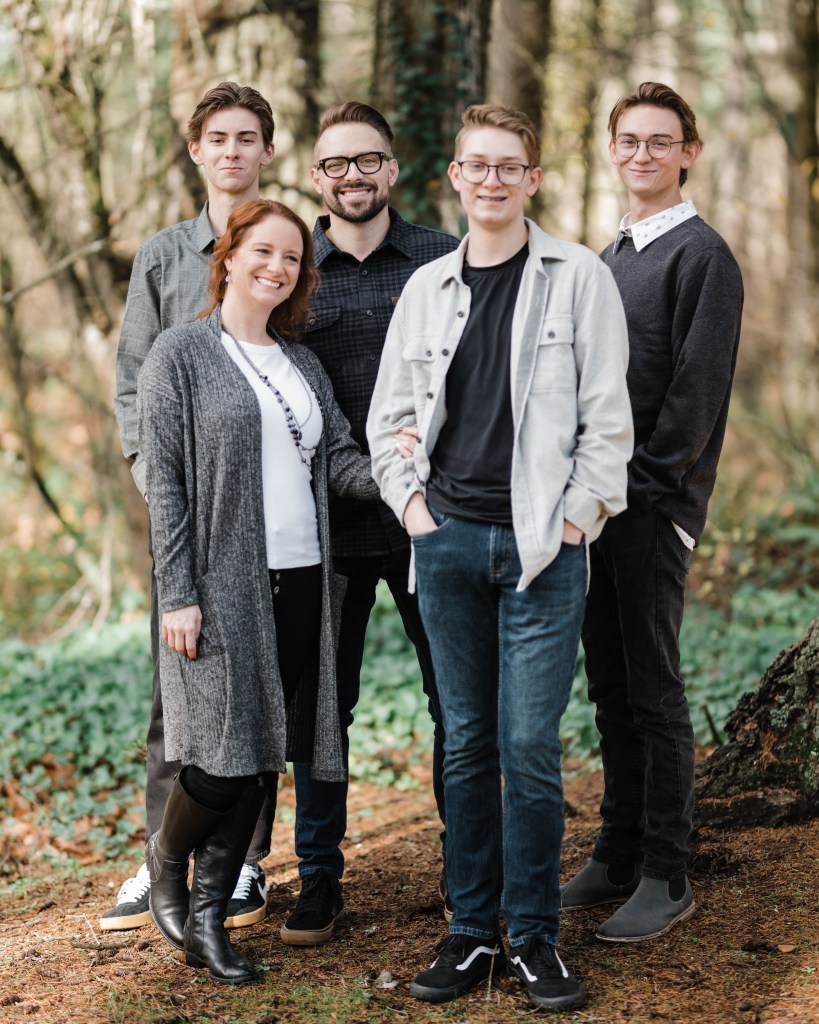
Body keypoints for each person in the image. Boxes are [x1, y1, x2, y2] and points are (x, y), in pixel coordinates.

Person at [367, 104, 633, 1010]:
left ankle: (534, 939)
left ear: (533, 179)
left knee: (528, 745)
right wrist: (411, 508)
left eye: (507, 166)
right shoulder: (425, 290)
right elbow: (387, 419)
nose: (490, 179)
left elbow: (608, 423)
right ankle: (468, 932)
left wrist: (571, 525)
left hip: (540, 552)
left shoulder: (577, 278)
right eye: (474, 164)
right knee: (467, 744)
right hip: (443, 544)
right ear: (453, 175)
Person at [136, 198, 379, 983]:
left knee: (267, 749)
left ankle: (209, 917)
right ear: (230, 256)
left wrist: (402, 476)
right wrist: (177, 592)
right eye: (263, 252)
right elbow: (165, 483)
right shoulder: (180, 354)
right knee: (222, 756)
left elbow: (337, 459)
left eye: (292, 259)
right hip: (220, 581)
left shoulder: (301, 363)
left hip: (307, 577)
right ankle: (168, 860)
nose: (277, 268)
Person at [561, 82, 743, 942]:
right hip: (594, 508)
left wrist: (636, 493)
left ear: (687, 152)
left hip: (649, 508)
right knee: (609, 687)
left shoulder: (702, 257)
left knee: (655, 691)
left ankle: (666, 872)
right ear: (612, 150)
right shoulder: (610, 253)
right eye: (628, 141)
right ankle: (617, 850)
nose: (641, 154)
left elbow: (693, 398)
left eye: (658, 141)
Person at [279, 102, 459, 946]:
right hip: (324, 530)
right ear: (316, 177)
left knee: (454, 701)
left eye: (370, 160)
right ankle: (318, 880)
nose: (354, 175)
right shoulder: (290, 267)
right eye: (337, 164)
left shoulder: (441, 258)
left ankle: (470, 867)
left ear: (393, 169)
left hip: (432, 520)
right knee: (324, 710)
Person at [110, 82, 278, 933]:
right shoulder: (163, 258)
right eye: (218, 137)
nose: (232, 151)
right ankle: (158, 860)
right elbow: (134, 380)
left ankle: (245, 864)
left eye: (247, 137)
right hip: (182, 516)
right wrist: (153, 482)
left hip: (266, 519)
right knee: (171, 692)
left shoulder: (288, 245)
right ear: (196, 149)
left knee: (257, 688)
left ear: (267, 152)